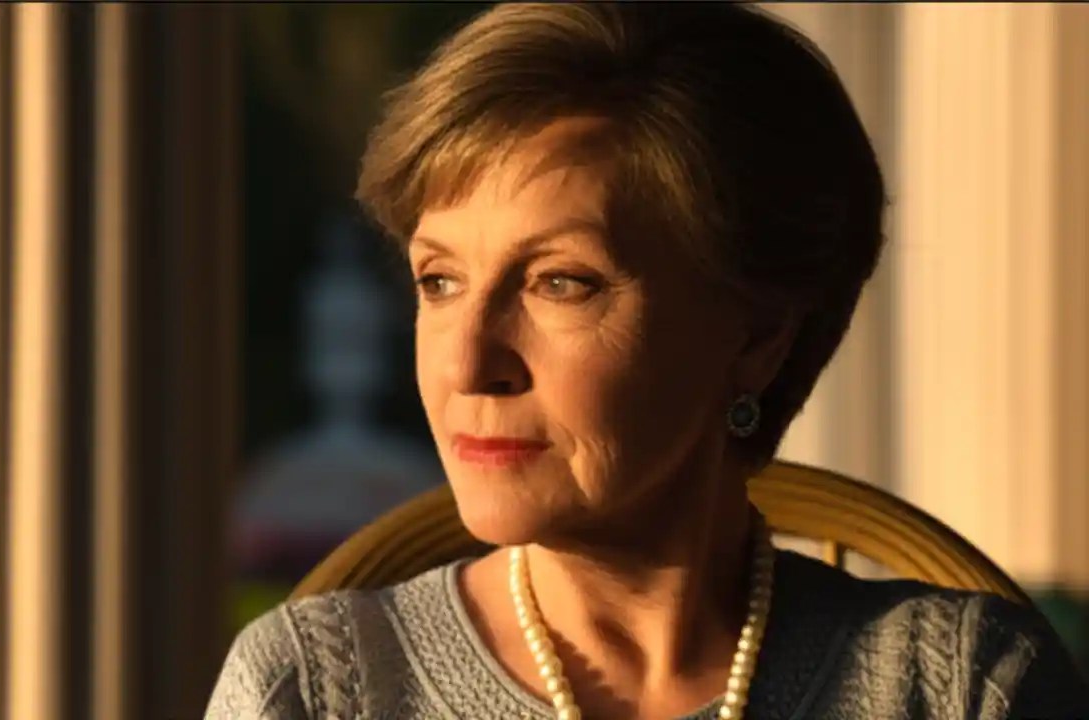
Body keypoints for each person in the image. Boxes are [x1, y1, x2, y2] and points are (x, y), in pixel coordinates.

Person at [207, 3, 1089, 718]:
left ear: (757, 337)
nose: (469, 361)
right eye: (439, 281)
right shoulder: (318, 692)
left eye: (559, 283)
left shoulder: (959, 688)